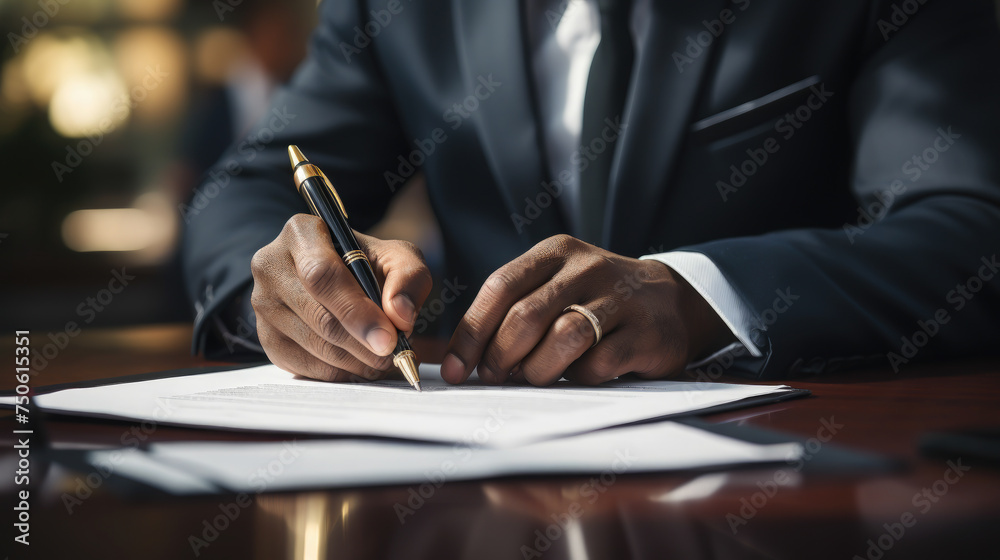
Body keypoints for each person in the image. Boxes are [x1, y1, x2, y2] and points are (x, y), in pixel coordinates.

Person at [182, 0, 1000, 385]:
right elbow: (247, 192)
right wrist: (294, 283)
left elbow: (969, 229)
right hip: (482, 481)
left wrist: (698, 298)